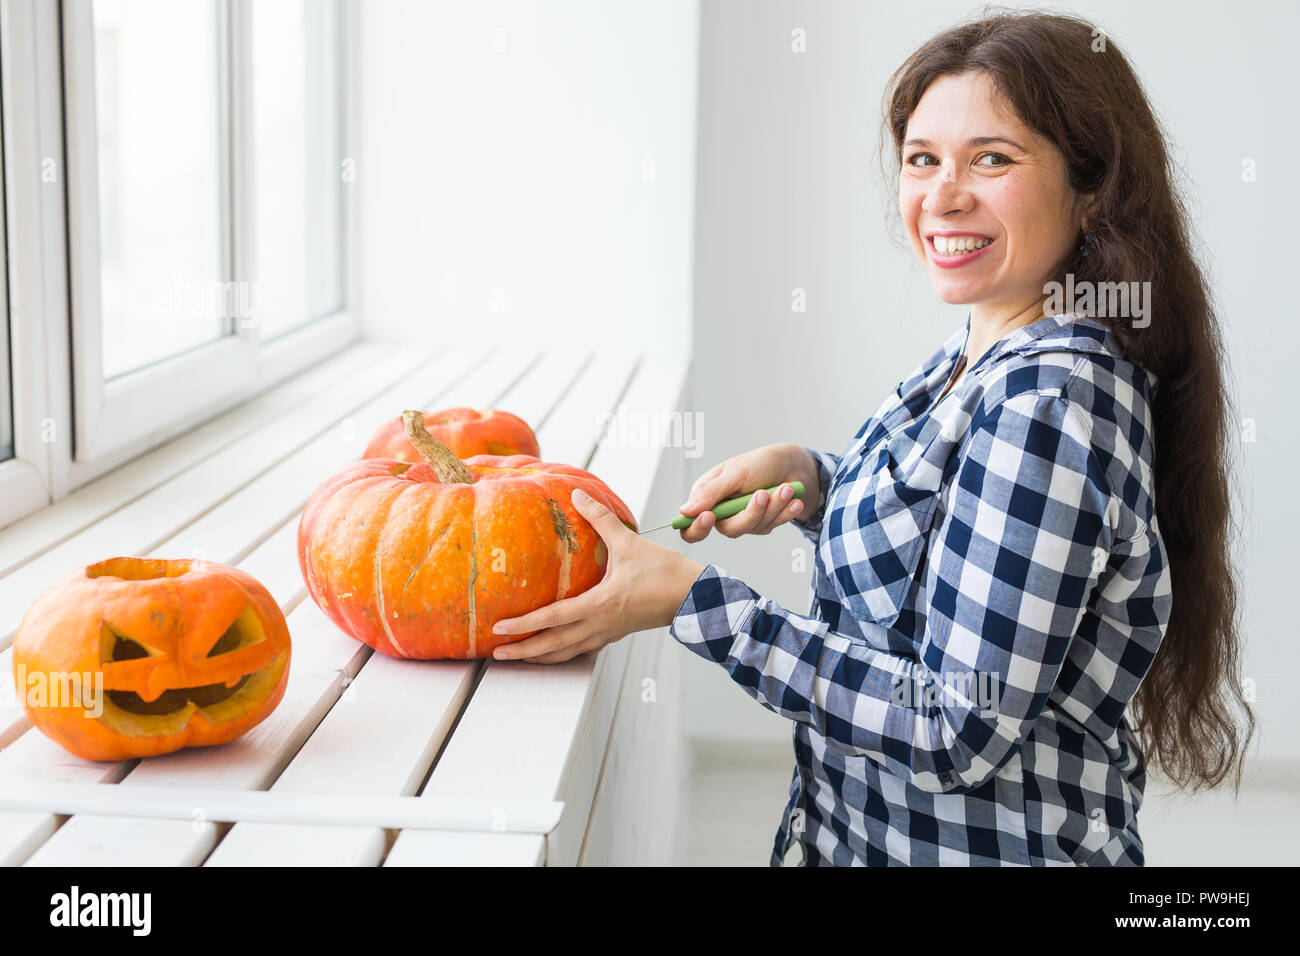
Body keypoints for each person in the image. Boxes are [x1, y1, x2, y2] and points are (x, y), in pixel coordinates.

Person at [490, 11, 1254, 866]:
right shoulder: (980, 355)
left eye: (992, 159)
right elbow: (955, 539)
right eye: (923, 158)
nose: (943, 194)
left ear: (1090, 184)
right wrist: (816, 481)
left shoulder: (1052, 406)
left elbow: (955, 730)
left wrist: (692, 603)